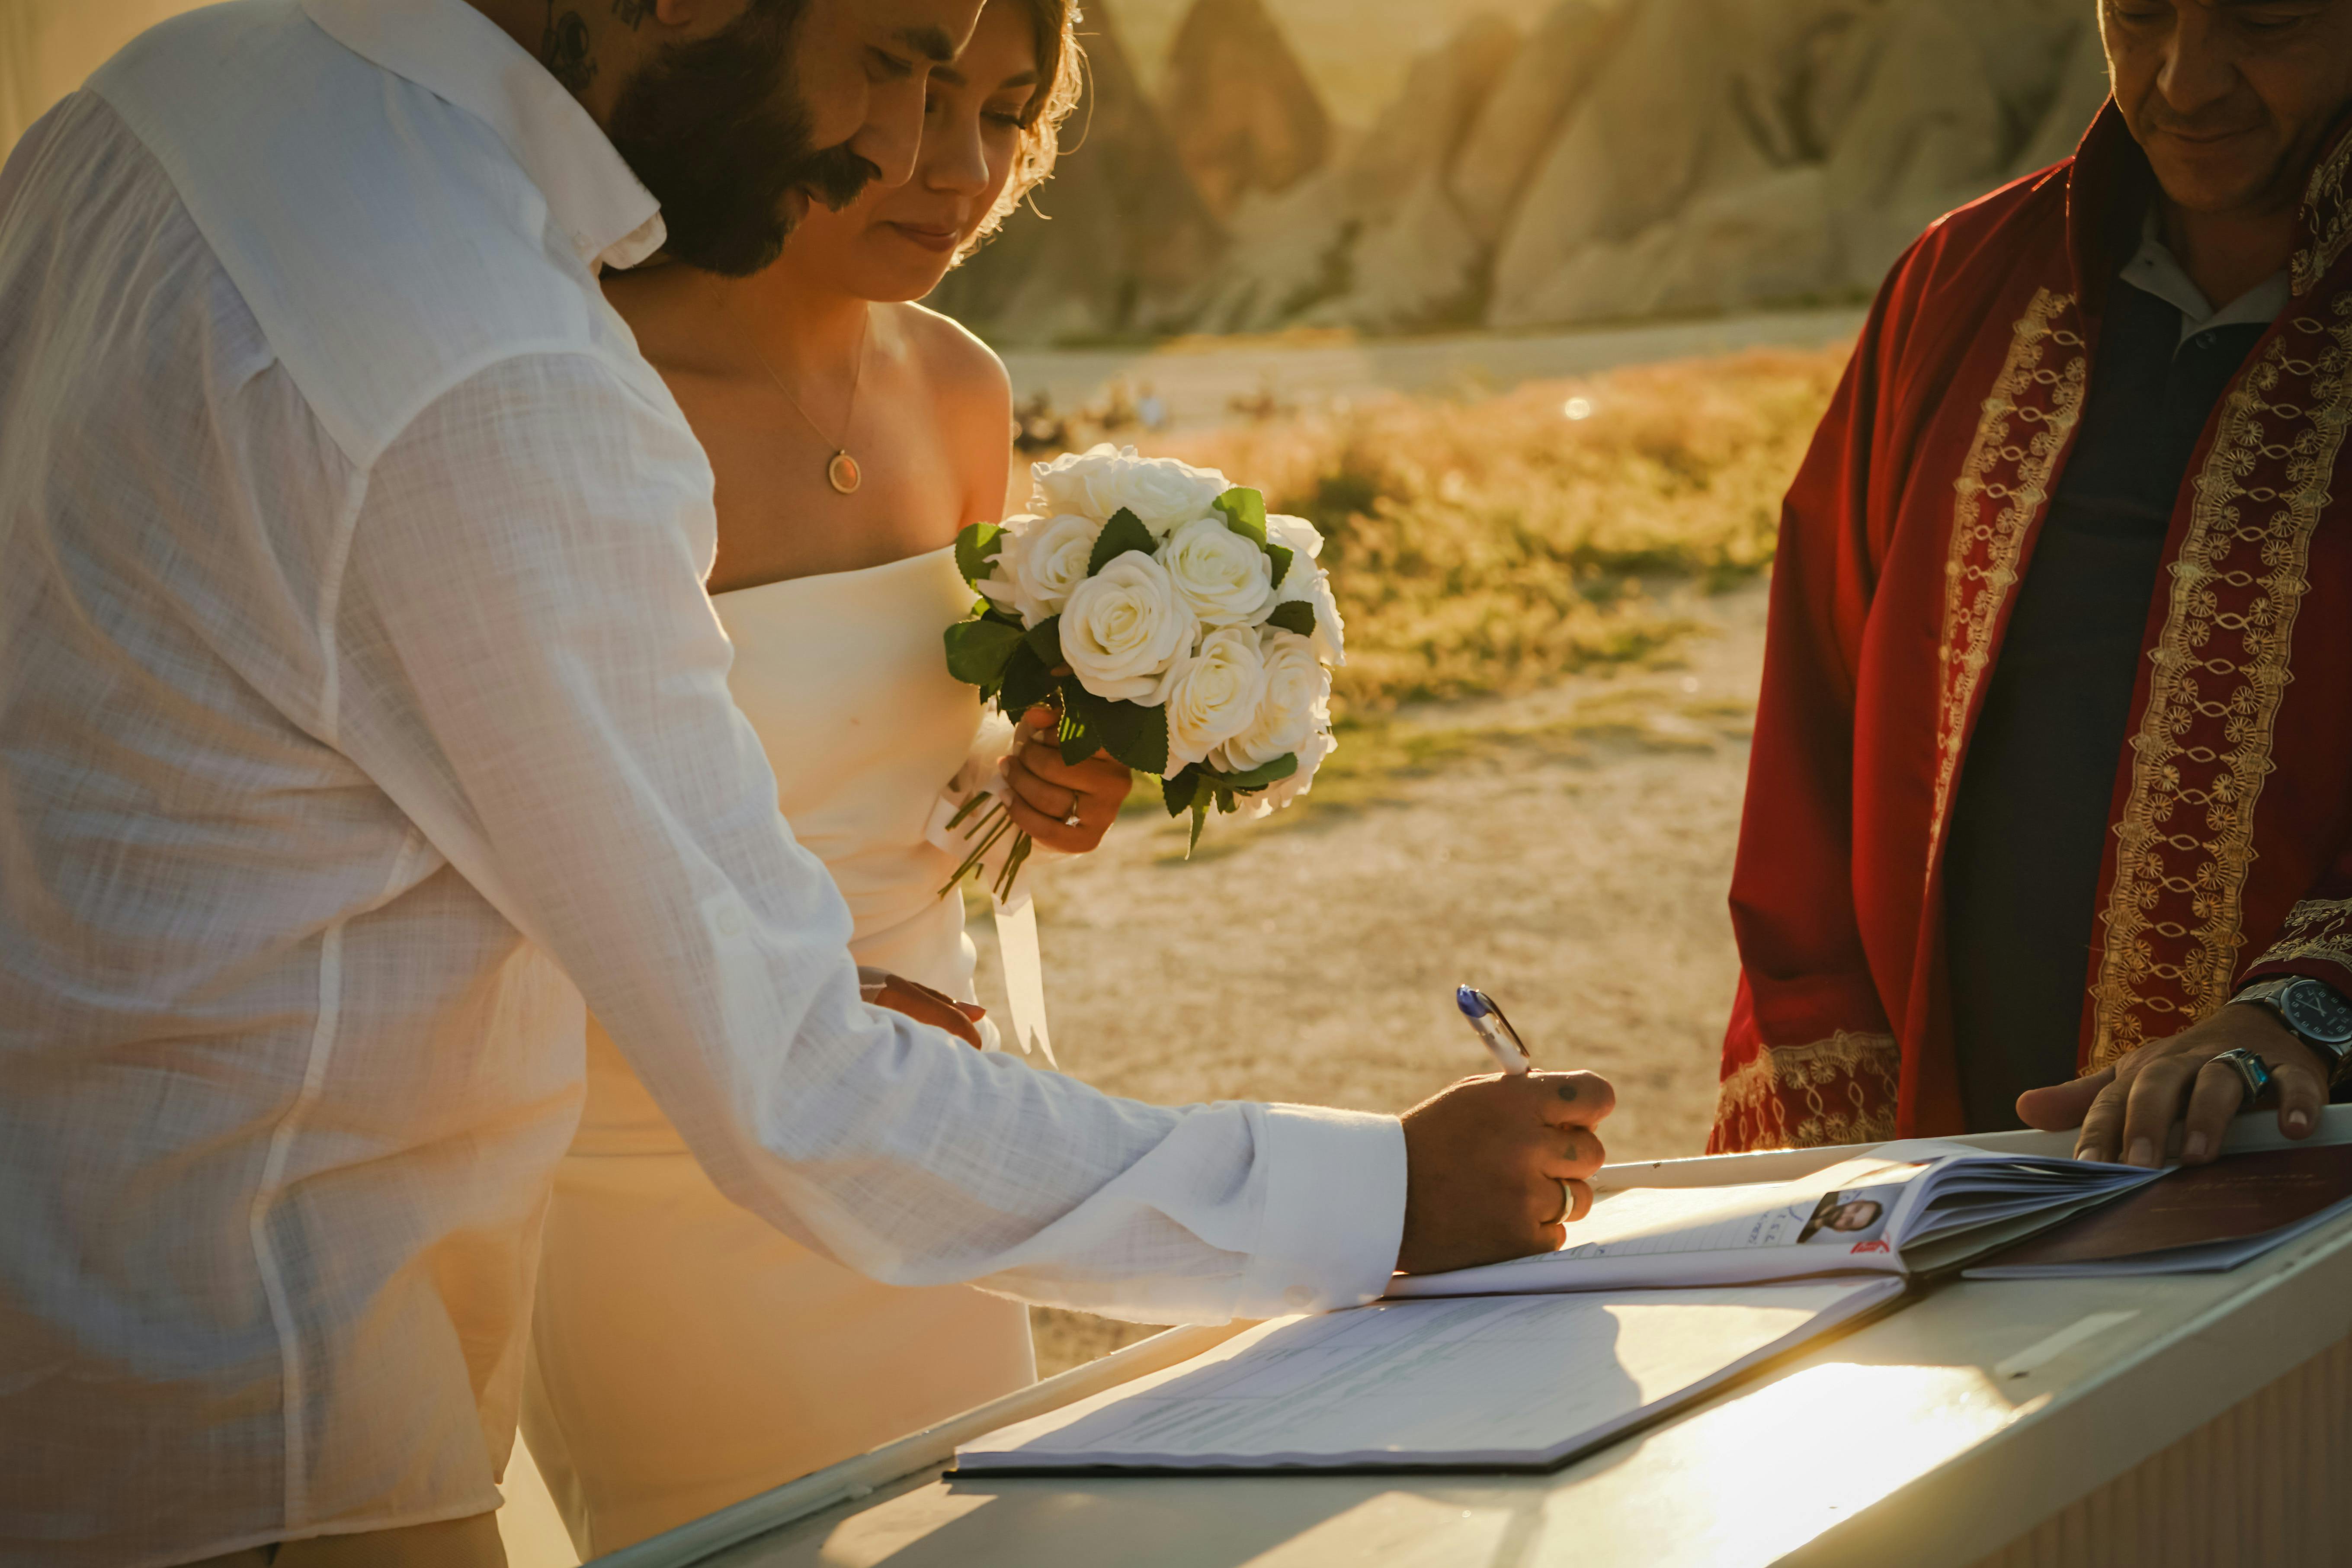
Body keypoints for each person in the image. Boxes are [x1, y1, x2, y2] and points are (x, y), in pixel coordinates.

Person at [0, 1, 1613, 1562]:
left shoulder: (168, 98)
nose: (905, 146)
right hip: (268, 1420)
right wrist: (1381, 1190)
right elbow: (798, 1082)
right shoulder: (506, 371)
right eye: (892, 60)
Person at [516, 1, 1117, 1551]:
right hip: (650, 1151)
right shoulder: (583, 380)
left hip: (933, 1122)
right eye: (920, 91)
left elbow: (910, 745)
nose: (954, 165)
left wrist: (1043, 771)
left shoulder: (961, 391)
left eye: (1005, 114)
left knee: (974, 1525)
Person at [1709, 0, 2352, 1171]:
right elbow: (1816, 725)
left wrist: (2301, 1009)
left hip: (2302, 1184)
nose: (2184, 79)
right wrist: (1849, 1167)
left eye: (2262, 21)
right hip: (1959, 1164)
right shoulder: (1961, 283)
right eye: (2141, 12)